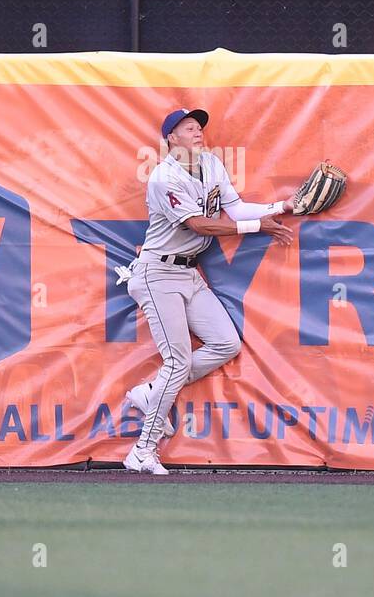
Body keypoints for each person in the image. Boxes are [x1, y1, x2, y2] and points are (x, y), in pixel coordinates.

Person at [119, 108, 295, 475]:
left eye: (199, 127)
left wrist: (280, 207)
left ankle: (150, 393)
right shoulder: (163, 178)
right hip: (158, 273)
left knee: (225, 343)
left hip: (189, 273)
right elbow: (200, 225)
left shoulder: (212, 164)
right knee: (178, 361)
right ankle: (142, 450)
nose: (198, 132)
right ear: (171, 138)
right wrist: (256, 227)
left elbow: (233, 207)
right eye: (188, 128)